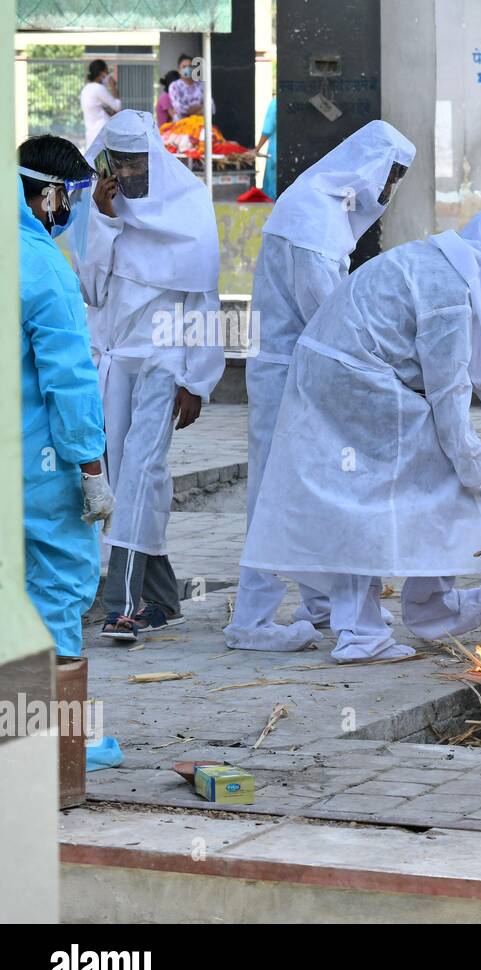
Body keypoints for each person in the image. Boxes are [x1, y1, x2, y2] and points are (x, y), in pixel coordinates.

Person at [240, 205, 481, 663]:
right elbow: (449, 392)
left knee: (362, 497)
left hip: (342, 374)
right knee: (410, 484)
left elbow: (472, 361)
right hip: (355, 380)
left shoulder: (447, 268)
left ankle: (416, 610)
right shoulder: (447, 288)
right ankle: (373, 631)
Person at [224, 120, 415, 653]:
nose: (389, 190)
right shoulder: (312, 220)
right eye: (391, 175)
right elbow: (330, 318)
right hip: (290, 374)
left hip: (301, 373)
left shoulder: (322, 209)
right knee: (274, 495)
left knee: (306, 488)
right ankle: (252, 620)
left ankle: (322, 604)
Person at [72, 110, 224, 644]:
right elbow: (91, 291)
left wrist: (197, 381)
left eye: (138, 163)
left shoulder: (189, 206)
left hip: (164, 364)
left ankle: (125, 604)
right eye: (120, 164)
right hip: (113, 363)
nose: (131, 173)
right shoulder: (103, 211)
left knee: (141, 473)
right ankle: (161, 597)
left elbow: (203, 300)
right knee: (116, 477)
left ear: (152, 159)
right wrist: (106, 220)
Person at [18, 136, 115, 661]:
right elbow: (70, 381)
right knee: (58, 590)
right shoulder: (44, 267)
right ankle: (56, 739)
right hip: (37, 467)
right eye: (71, 200)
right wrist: (92, 471)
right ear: (50, 196)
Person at [79, 59, 122, 150]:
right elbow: (117, 106)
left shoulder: (86, 89)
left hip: (91, 135)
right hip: (102, 135)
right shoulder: (98, 88)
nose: (108, 76)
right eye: (107, 72)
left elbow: (105, 111)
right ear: (102, 73)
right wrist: (113, 87)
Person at [167, 54, 211, 119]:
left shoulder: (202, 85)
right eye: (184, 67)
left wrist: (190, 111)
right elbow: (179, 109)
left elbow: (211, 107)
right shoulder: (174, 86)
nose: (188, 69)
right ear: (179, 70)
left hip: (200, 124)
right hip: (181, 125)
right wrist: (200, 107)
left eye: (190, 66)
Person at [255, 96, 277, 198]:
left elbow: (267, 130)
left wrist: (257, 149)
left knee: (272, 192)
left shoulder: (275, 104)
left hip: (276, 153)